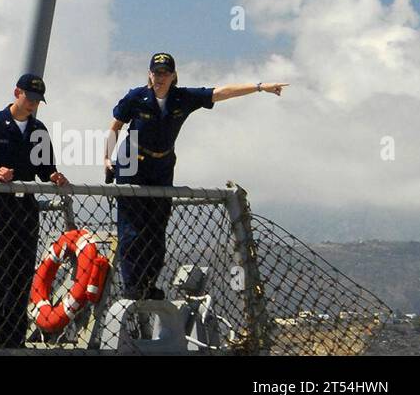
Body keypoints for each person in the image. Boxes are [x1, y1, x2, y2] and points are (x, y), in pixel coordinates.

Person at [104, 52, 288, 299]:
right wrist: (107, 157)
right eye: (156, 73)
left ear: (173, 76)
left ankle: (149, 284)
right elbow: (114, 127)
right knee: (132, 229)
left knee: (156, 229)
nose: (160, 77)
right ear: (149, 74)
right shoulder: (136, 97)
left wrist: (259, 87)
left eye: (165, 73)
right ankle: (132, 287)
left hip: (162, 163)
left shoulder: (182, 98)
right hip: (131, 161)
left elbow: (221, 92)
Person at [0, 74, 69, 348]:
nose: (33, 105)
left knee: (22, 270)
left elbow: (45, 166)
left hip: (25, 208)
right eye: (30, 98)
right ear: (17, 93)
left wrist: (54, 176)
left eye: (38, 101)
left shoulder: (39, 130)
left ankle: (13, 334)